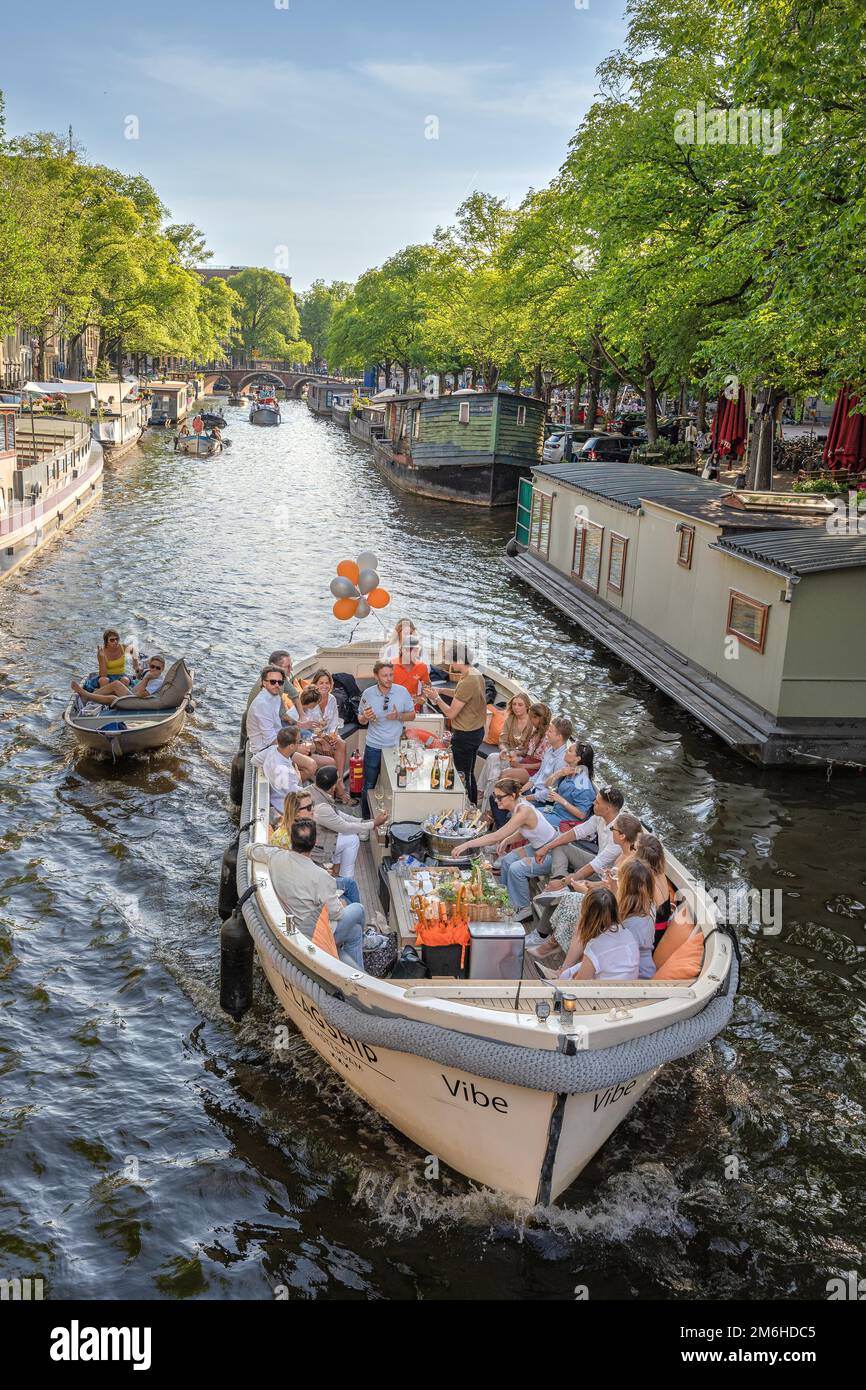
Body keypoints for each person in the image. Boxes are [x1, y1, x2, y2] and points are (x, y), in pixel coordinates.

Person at [247, 820, 365, 968]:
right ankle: (365, 945)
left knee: (355, 932)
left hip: (292, 924)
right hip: (313, 933)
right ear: (315, 842)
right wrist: (342, 904)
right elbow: (336, 914)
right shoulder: (321, 876)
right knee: (358, 908)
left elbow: (250, 849)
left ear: (291, 840)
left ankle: (358, 970)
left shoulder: (275, 856)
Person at [531, 809, 641, 959]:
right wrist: (589, 884)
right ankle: (555, 944)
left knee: (572, 899)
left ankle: (553, 944)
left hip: (613, 905)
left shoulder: (628, 862)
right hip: (606, 892)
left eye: (613, 830)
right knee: (571, 895)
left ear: (622, 836)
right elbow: (608, 884)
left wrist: (584, 889)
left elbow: (616, 893)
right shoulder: (623, 854)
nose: (611, 832)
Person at [455, 777, 558, 920]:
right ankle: (504, 899)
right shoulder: (518, 805)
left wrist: (466, 844)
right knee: (507, 860)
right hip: (538, 847)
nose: (496, 801)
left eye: (499, 797)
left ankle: (524, 909)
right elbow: (527, 830)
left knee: (517, 869)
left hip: (552, 852)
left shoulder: (523, 812)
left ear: (513, 796)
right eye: (495, 797)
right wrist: (508, 840)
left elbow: (495, 836)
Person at [422, 642, 487, 803]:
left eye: (452, 660)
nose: (450, 664)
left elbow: (451, 713)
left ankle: (466, 807)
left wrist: (436, 699)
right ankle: (471, 804)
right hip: (476, 732)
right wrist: (443, 691)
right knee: (470, 772)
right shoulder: (475, 674)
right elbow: (461, 695)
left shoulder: (467, 681)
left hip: (465, 735)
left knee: (462, 776)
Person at [309, 765, 387, 882]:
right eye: (339, 781)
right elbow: (346, 828)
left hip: (314, 836)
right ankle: (346, 880)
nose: (342, 784)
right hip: (314, 849)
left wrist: (365, 822)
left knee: (344, 834)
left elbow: (337, 815)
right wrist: (374, 823)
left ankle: (336, 870)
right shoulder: (322, 808)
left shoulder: (312, 789)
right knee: (352, 839)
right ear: (333, 787)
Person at [358, 660, 414, 815]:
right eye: (385, 675)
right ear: (376, 676)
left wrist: (399, 715)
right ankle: (366, 820)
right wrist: (365, 717)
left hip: (395, 748)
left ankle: (391, 818)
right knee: (368, 785)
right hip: (374, 746)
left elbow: (412, 715)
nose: (389, 678)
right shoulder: (368, 694)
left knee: (395, 786)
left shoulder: (402, 691)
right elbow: (360, 719)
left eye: (391, 674)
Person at [541, 786, 628, 884]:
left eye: (597, 802)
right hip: (597, 862)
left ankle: (559, 885)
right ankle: (558, 879)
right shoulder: (600, 818)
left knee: (565, 881)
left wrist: (563, 882)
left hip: (604, 877)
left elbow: (597, 864)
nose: (593, 803)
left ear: (607, 809)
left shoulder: (619, 832)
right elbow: (576, 832)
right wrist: (546, 847)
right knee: (560, 845)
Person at [554, 886, 639, 981]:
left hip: (607, 993)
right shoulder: (627, 934)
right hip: (628, 988)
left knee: (568, 977)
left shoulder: (595, 947)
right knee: (576, 969)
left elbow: (580, 983)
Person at [476, 690, 532, 804]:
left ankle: (487, 806)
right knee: (492, 757)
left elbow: (528, 749)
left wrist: (515, 753)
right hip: (508, 754)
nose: (516, 707)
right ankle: (480, 791)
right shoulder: (510, 719)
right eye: (514, 704)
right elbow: (502, 741)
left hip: (521, 758)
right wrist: (505, 751)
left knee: (495, 774)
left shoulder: (531, 724)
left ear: (527, 707)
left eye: (520, 705)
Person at [539, 740, 596, 828]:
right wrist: (558, 773)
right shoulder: (566, 771)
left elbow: (582, 815)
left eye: (569, 750)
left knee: (530, 818)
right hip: (553, 810)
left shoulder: (583, 784)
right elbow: (547, 785)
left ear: (577, 759)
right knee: (525, 811)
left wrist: (561, 800)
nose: (566, 751)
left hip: (565, 820)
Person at [616, 857, 657, 979]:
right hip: (645, 970)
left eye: (619, 880)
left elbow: (616, 957)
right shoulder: (648, 909)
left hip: (636, 979)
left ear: (624, 887)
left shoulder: (630, 926)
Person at [72, 653, 166, 705]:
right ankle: (87, 697)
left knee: (116, 687)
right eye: (152, 666)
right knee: (112, 694)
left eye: (158, 668)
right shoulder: (149, 673)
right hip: (133, 695)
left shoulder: (157, 682)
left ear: (162, 669)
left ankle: (86, 695)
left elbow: (140, 695)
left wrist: (146, 679)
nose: (154, 669)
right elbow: (138, 674)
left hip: (137, 701)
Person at [633, 832, 677, 943]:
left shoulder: (646, 884)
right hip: (660, 927)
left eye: (634, 849)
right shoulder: (660, 872)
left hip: (651, 938)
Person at [253, 725, 302, 820]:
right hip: (287, 810)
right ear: (291, 746)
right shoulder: (285, 771)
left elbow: (254, 761)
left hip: (277, 799)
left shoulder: (273, 749)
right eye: (299, 741)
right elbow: (298, 795)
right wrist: (298, 778)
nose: (300, 744)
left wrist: (269, 771)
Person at [246, 665, 286, 754]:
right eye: (273, 682)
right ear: (264, 683)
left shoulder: (275, 697)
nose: (277, 685)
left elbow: (278, 726)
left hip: (276, 741)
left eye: (280, 682)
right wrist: (295, 748)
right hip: (263, 749)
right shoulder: (262, 704)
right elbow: (270, 740)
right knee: (311, 764)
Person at [392, 637, 430, 707]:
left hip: (413, 705)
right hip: (393, 704)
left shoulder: (422, 666)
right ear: (402, 650)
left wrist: (423, 696)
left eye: (415, 650)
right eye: (408, 650)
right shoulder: (391, 665)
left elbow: (428, 685)